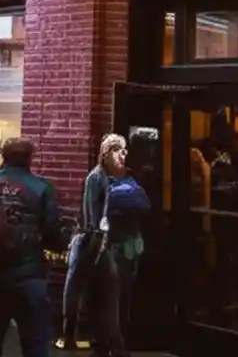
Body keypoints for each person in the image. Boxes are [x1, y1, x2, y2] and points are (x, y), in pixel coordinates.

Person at [0, 138, 66, 357]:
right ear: (29, 158)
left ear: (4, 156)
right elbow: (52, 232)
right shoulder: (42, 188)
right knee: (34, 344)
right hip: (28, 275)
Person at [83, 134, 150, 357]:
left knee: (122, 304)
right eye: (117, 149)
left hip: (128, 250)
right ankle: (115, 349)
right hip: (107, 249)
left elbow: (143, 205)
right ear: (106, 153)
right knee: (109, 305)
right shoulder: (97, 178)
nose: (123, 154)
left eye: (124, 149)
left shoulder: (128, 178)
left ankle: (112, 347)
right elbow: (93, 218)